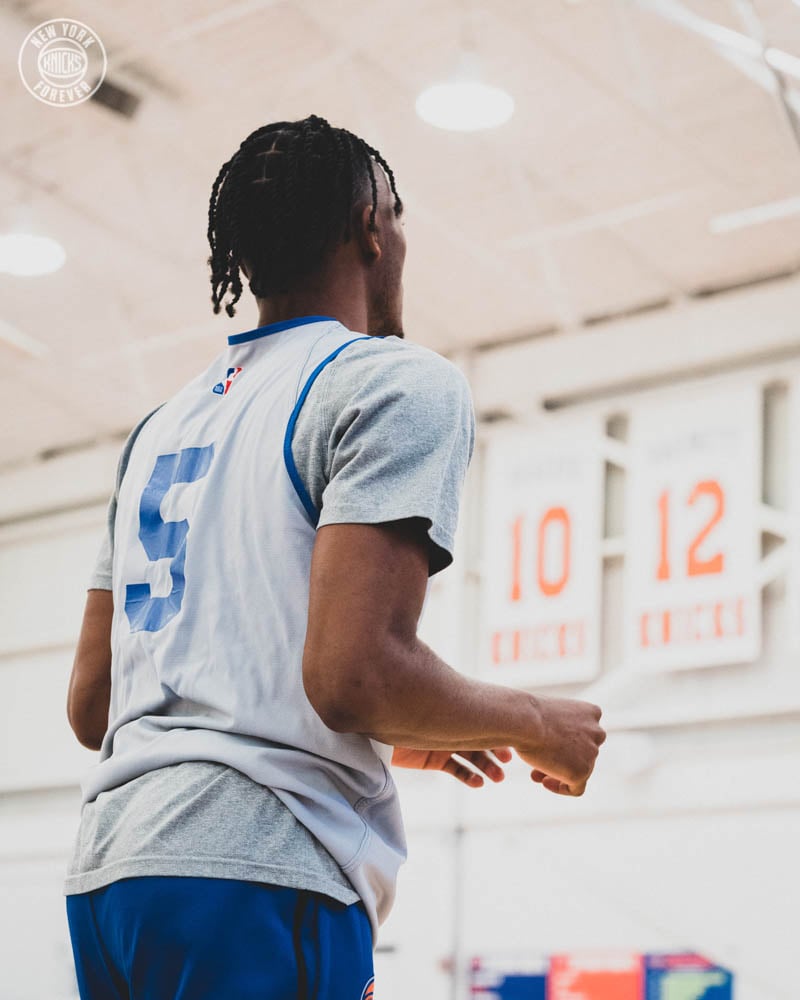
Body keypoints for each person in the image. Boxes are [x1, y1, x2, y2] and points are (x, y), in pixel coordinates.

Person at [64, 114, 606, 1000]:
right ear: (370, 226)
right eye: (398, 219)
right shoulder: (389, 381)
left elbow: (96, 707)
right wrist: (535, 723)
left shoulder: (158, 432)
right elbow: (355, 677)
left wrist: (382, 730)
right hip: (260, 875)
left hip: (112, 879)